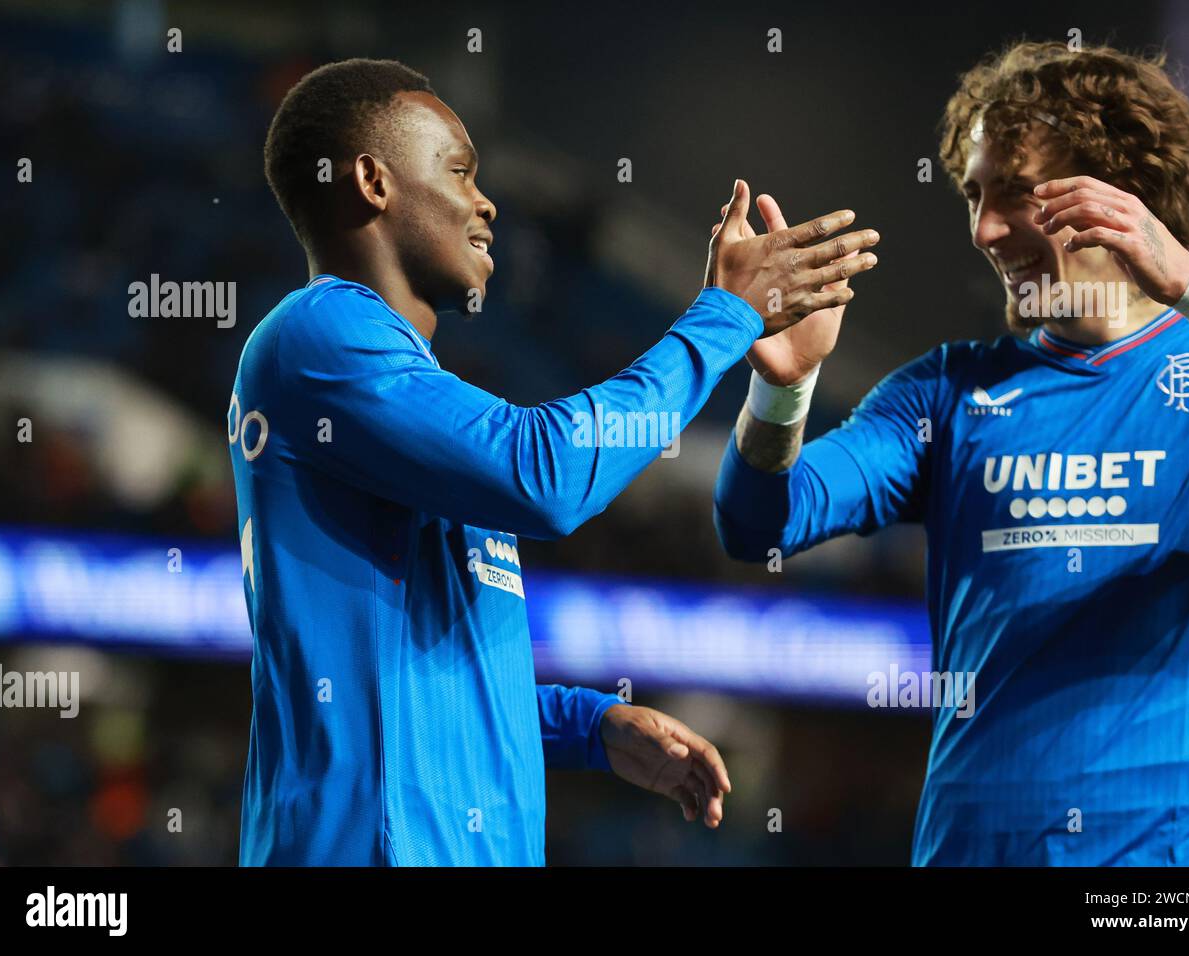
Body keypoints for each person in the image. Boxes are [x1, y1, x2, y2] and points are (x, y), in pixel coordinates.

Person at [229, 58, 880, 865]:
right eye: (460, 171)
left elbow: (410, 684)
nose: (485, 199)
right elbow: (548, 477)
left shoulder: (403, 400)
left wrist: (588, 724)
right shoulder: (318, 334)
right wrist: (726, 318)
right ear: (372, 180)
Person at [713, 40, 1189, 865]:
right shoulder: (947, 393)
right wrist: (783, 389)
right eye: (974, 195)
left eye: (1014, 194)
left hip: (1178, 872)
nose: (983, 229)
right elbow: (759, 523)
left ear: (1121, 189)